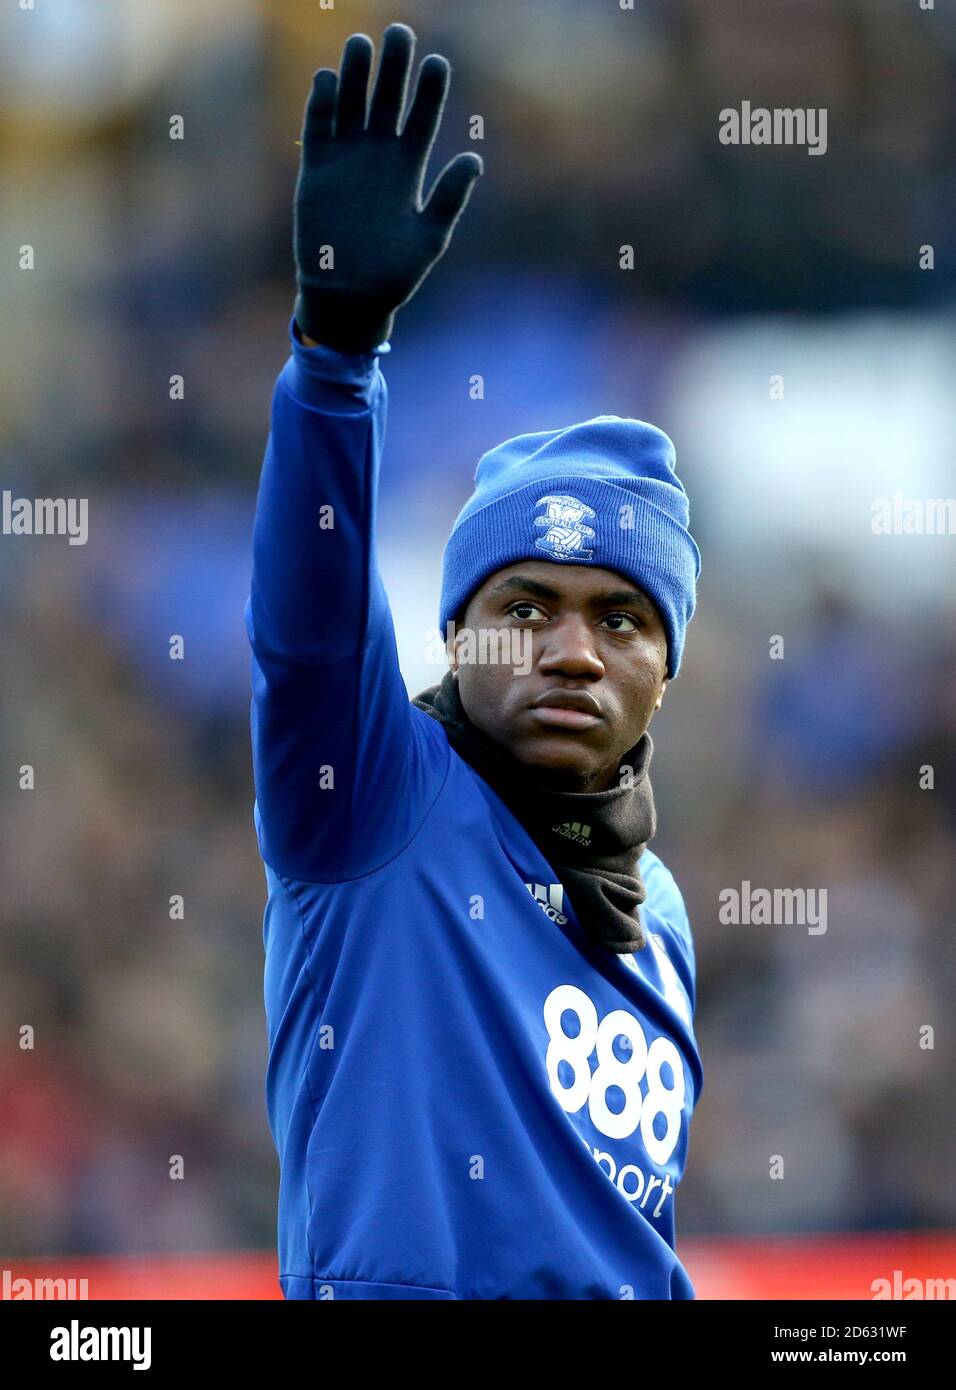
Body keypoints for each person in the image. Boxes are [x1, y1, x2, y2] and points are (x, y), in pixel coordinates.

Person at [246, 22, 703, 1300]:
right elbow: (303, 634)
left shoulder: (658, 912)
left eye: (620, 620)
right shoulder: (373, 799)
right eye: (523, 606)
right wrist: (335, 360)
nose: (569, 652)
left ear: (667, 668)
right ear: (453, 633)